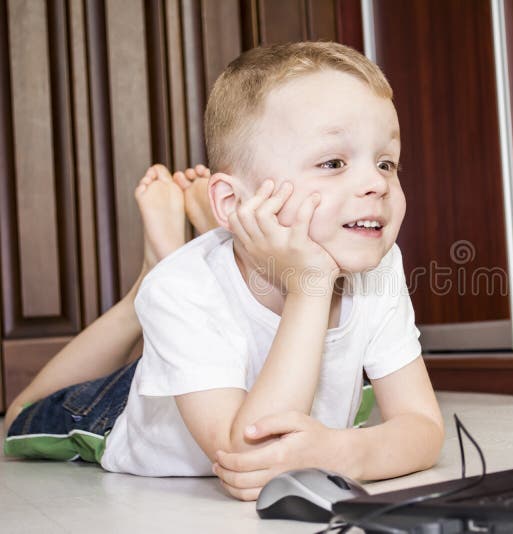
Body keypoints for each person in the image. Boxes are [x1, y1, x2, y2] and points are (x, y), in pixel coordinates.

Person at [4, 41, 445, 501]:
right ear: (235, 201)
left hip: (246, 365)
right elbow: (253, 462)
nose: (377, 184)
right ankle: (147, 285)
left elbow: (423, 426)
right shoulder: (185, 292)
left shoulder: (378, 266)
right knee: (21, 414)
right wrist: (310, 286)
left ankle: (211, 241)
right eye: (333, 162)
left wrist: (343, 452)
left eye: (386, 162)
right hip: (134, 407)